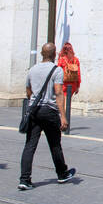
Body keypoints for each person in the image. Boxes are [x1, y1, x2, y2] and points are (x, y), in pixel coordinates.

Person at [19, 42, 76, 190]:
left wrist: (34, 101)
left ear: (42, 54)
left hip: (34, 110)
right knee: (55, 144)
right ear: (55, 54)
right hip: (49, 111)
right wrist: (63, 116)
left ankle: (24, 179)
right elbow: (58, 93)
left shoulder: (32, 70)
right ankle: (62, 173)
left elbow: (28, 91)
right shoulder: (57, 70)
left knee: (30, 145)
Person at [57, 41, 81, 131]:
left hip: (63, 83)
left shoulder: (62, 60)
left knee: (61, 103)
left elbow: (58, 72)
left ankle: (63, 121)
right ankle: (66, 120)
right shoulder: (76, 60)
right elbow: (78, 74)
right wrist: (78, 85)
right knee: (67, 102)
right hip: (73, 84)